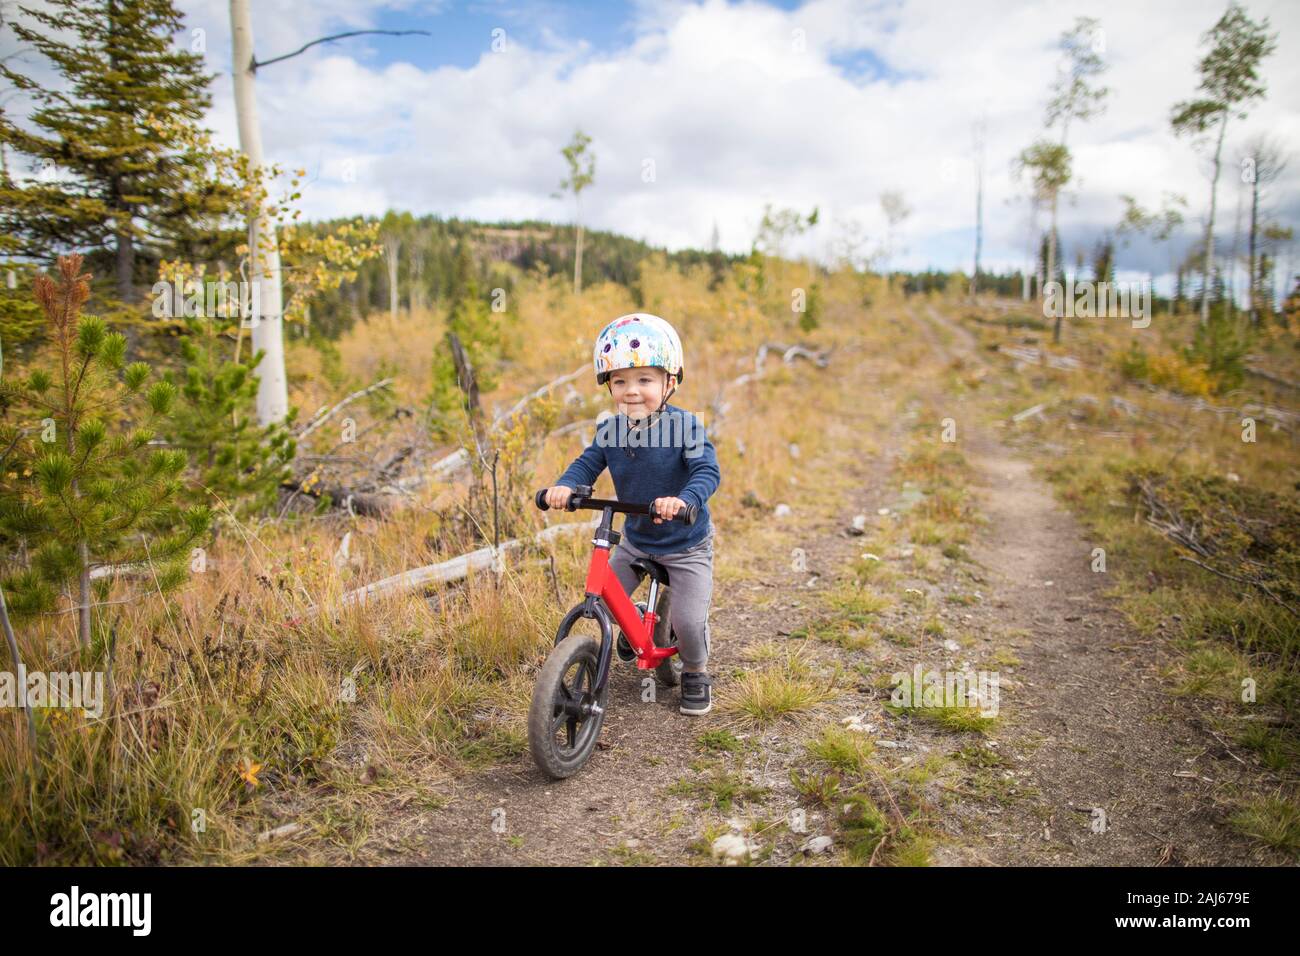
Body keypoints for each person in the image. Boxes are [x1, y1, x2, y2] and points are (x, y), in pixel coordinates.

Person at [543, 312, 721, 714]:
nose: (632, 391)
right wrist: (566, 486)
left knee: (689, 622)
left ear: (669, 383)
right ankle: (638, 619)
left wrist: (684, 501)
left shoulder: (686, 427)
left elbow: (706, 471)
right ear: (608, 386)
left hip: (684, 543)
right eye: (620, 380)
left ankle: (695, 670)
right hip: (638, 540)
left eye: (645, 380)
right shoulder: (610, 430)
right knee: (606, 601)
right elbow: (588, 463)